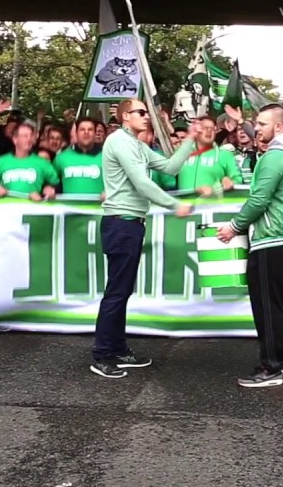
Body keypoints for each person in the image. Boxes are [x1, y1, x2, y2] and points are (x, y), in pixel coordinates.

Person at [92, 99, 197, 379]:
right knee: (116, 292)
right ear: (125, 116)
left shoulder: (137, 144)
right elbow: (142, 183)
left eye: (146, 112)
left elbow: (171, 167)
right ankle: (102, 354)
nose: (146, 116)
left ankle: (117, 349)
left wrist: (190, 139)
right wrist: (175, 206)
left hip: (131, 223)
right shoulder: (119, 141)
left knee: (122, 291)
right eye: (140, 112)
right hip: (121, 223)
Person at [218, 104, 283, 387]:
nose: (256, 128)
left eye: (261, 123)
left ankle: (270, 367)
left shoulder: (274, 157)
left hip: (272, 237)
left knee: (267, 304)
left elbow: (259, 200)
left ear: (279, 127)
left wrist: (233, 227)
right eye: (255, 123)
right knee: (282, 300)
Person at [177, 116, 243, 196]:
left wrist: (228, 181)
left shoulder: (225, 155)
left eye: (212, 129)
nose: (209, 131)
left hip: (211, 206)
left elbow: (238, 179)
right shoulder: (182, 153)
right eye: (205, 128)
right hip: (183, 206)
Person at [0, 122, 58, 201]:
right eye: (25, 136)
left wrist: (47, 191)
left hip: (32, 210)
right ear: (15, 139)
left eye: (31, 136)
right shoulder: (1, 161)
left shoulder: (42, 162)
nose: (29, 139)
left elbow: (58, 185)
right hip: (8, 210)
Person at [55, 117, 105, 198]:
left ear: (95, 133)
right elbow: (51, 183)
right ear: (76, 133)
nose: (86, 132)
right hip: (69, 209)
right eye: (82, 129)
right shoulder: (61, 158)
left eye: (90, 129)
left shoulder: (106, 157)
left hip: (98, 209)